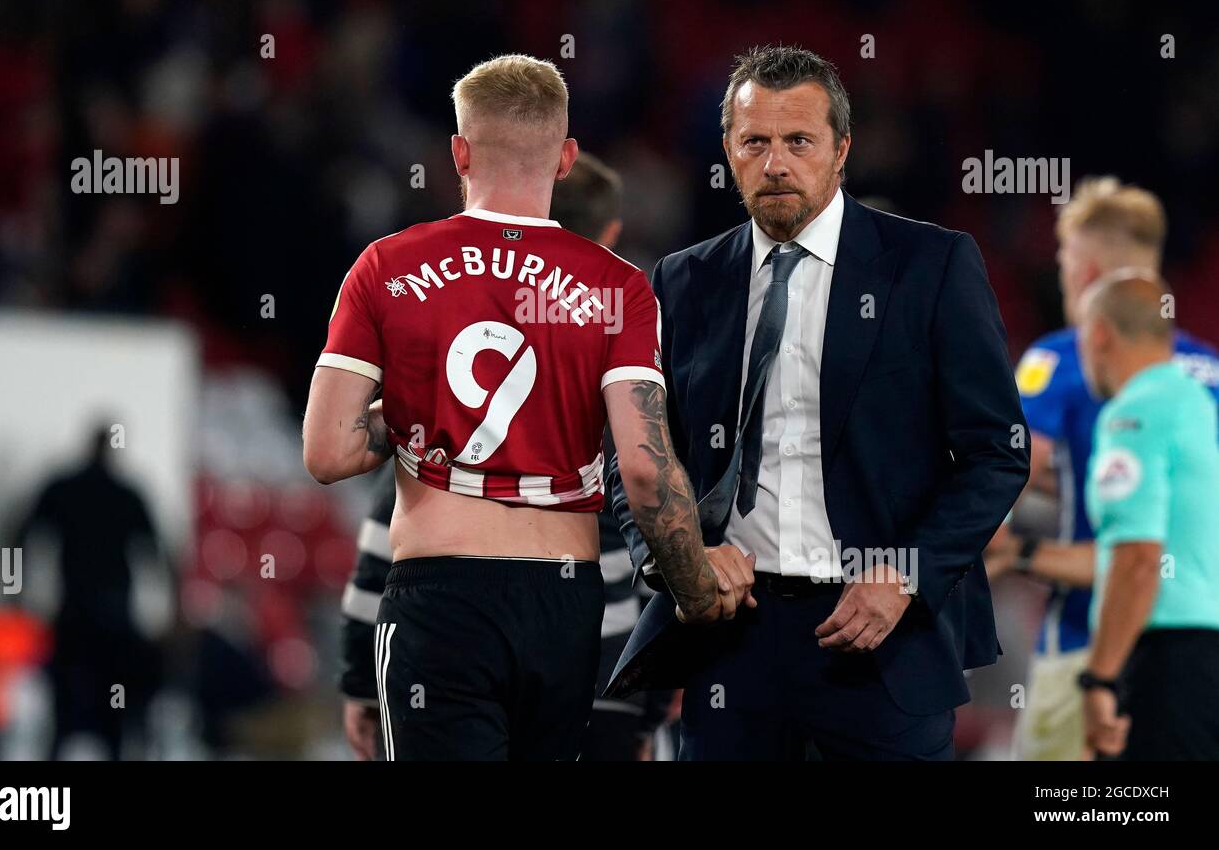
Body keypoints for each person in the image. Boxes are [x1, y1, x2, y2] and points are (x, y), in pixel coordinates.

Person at [604, 44, 1029, 760]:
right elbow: (633, 457)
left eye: (798, 140)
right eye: (755, 142)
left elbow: (996, 452)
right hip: (732, 640)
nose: (776, 163)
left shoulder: (929, 265)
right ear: (729, 152)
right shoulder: (682, 281)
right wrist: (682, 557)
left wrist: (904, 574)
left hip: (884, 638)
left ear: (842, 151)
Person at [303, 55, 727, 761]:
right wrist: (696, 595)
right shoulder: (619, 287)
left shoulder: (386, 266)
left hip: (439, 594)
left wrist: (409, 408)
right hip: (563, 600)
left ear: (459, 152)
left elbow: (327, 451)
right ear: (565, 160)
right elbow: (647, 474)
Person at [336, 152, 675, 761]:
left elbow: (381, 523)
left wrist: (361, 678)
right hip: (595, 645)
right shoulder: (622, 326)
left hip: (448, 613)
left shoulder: (439, 304)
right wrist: (652, 693)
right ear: (611, 236)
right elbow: (651, 500)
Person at [987, 178, 1219, 760]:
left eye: (1065, 262)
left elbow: (1001, 472)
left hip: (1090, 643)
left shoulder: (1063, 358)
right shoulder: (1208, 371)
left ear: (1086, 275)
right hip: (1197, 639)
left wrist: (1001, 548)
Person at [1075, 270, 1219, 760]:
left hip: (1166, 660)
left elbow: (1137, 556)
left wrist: (1100, 678)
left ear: (1098, 335)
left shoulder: (1134, 412)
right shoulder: (1194, 401)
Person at [17, 424, 167, 760]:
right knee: (114, 706)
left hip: (74, 611)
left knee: (63, 704)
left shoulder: (64, 487)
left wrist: (19, 592)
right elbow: (157, 553)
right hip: (113, 615)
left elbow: (26, 534)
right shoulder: (127, 493)